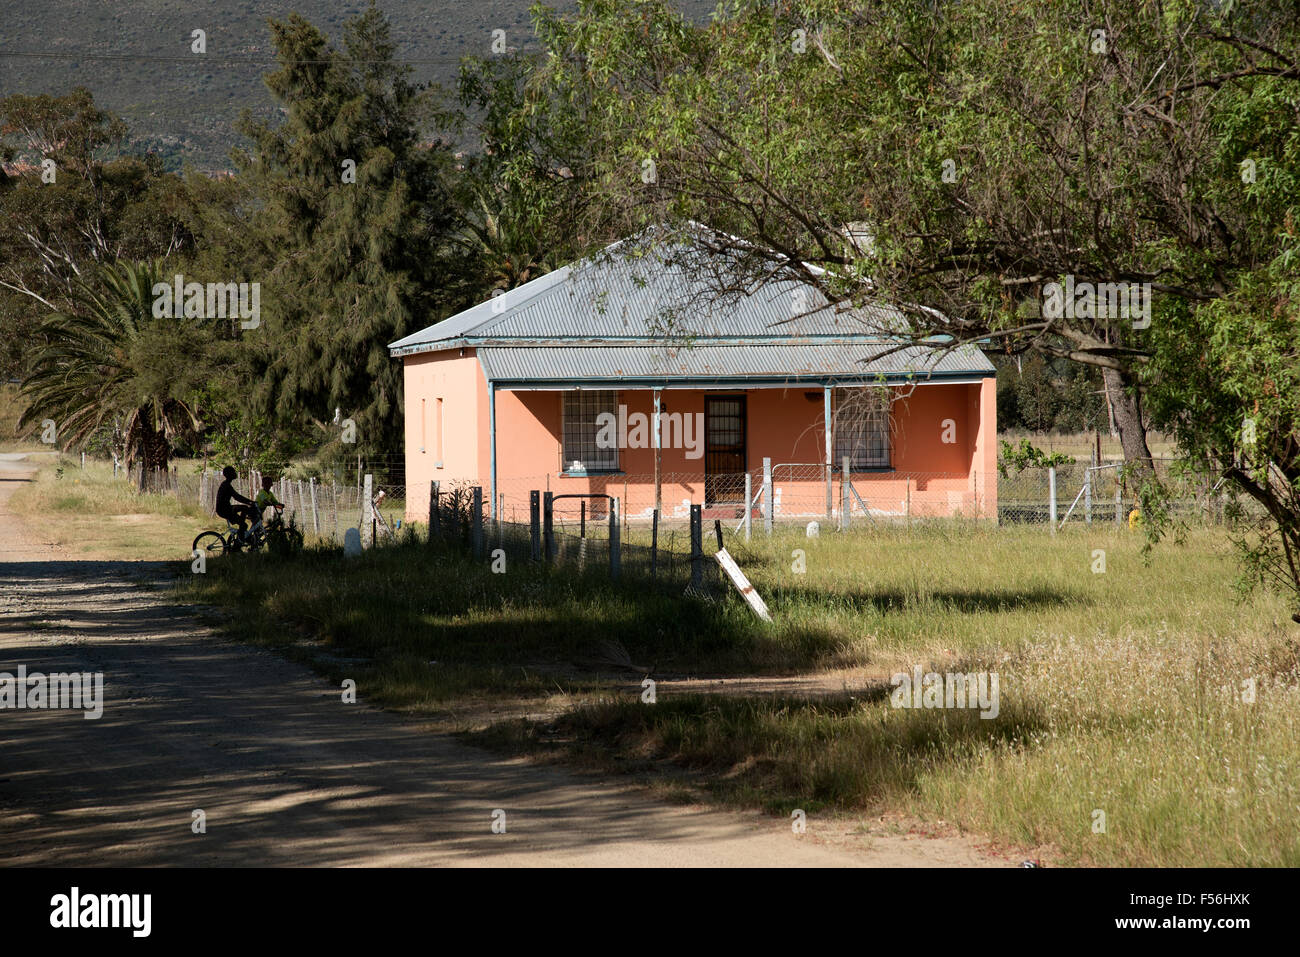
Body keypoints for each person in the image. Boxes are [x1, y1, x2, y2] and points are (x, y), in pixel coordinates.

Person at [215, 466, 258, 542]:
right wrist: (250, 502)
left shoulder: (226, 484)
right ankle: (240, 538)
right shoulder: (226, 485)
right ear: (229, 474)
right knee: (244, 523)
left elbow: (237, 496)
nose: (235, 473)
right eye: (233, 472)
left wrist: (250, 502)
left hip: (225, 509)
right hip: (224, 510)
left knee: (244, 512)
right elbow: (237, 497)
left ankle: (242, 535)